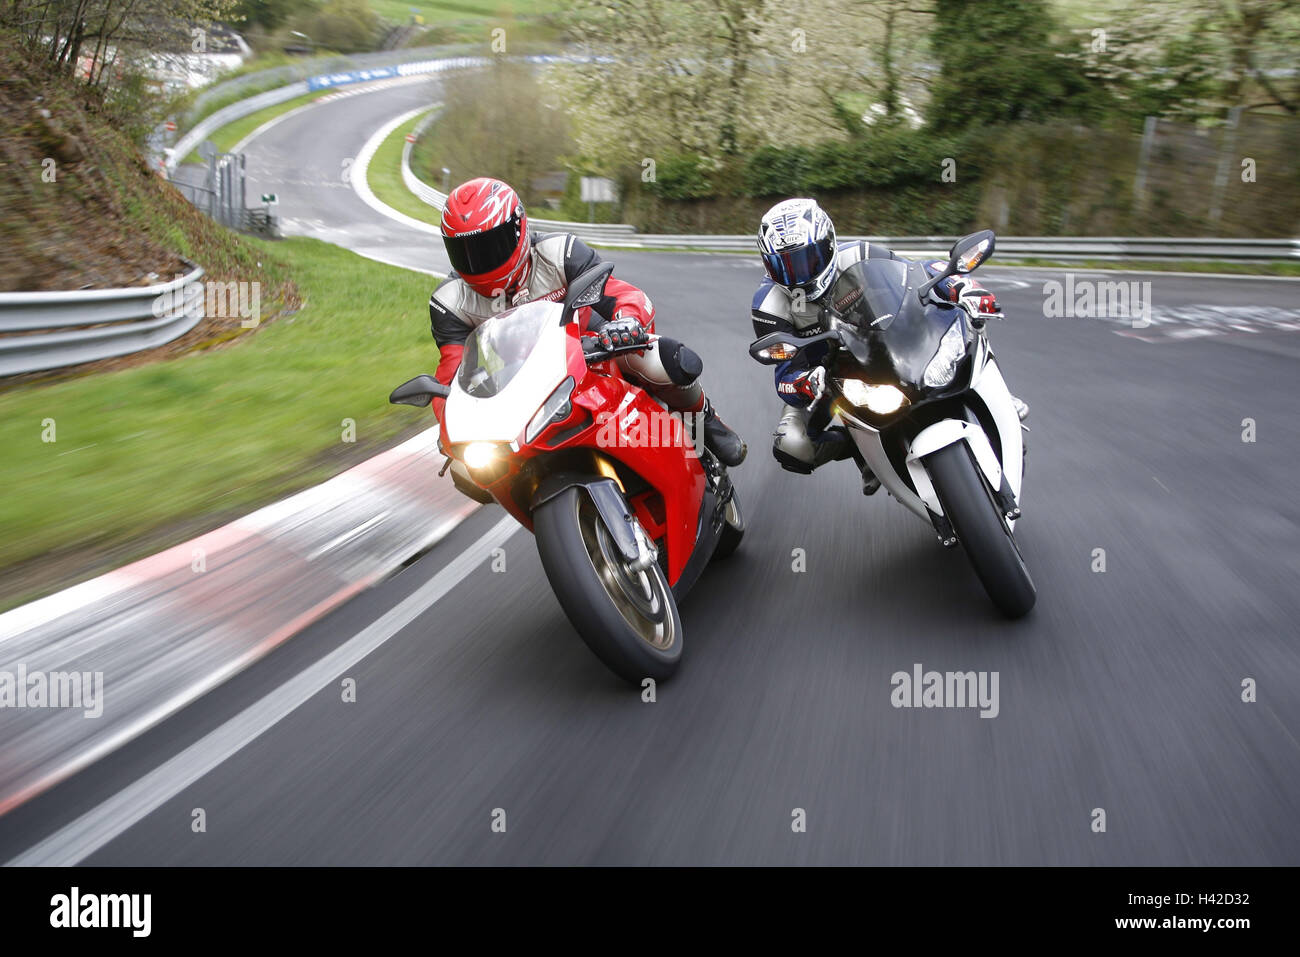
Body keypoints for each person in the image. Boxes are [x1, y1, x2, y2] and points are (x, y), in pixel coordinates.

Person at [429, 177, 745, 466]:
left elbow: (623, 294)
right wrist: (449, 425)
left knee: (660, 360)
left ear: (518, 229)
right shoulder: (450, 302)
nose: (478, 261)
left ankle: (706, 422)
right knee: (465, 469)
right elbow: (451, 374)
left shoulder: (559, 253)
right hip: (519, 385)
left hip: (592, 351)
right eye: (465, 251)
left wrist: (626, 323)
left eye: (489, 246)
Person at [751, 197, 1026, 484]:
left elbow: (918, 273)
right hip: (824, 376)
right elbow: (783, 372)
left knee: (966, 323)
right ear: (767, 264)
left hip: (881, 343)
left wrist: (962, 287)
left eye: (807, 259)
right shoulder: (767, 306)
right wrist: (803, 382)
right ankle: (860, 448)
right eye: (784, 266)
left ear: (828, 244)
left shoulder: (860, 254)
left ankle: (998, 396)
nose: (798, 274)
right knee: (792, 446)